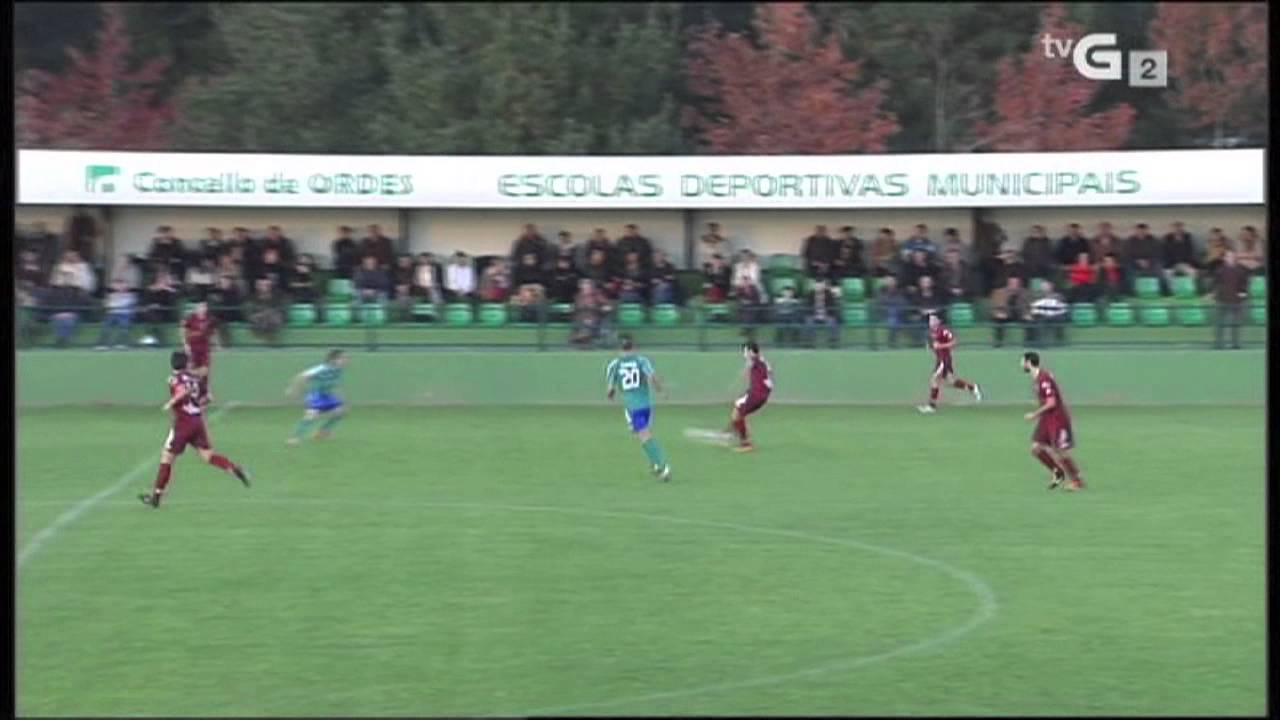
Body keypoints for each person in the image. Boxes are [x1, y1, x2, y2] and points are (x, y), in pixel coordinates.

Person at [139, 351, 250, 508]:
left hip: (183, 424)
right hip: (197, 421)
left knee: (167, 459)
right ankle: (234, 468)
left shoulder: (173, 379)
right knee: (208, 456)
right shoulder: (196, 379)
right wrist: (197, 406)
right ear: (186, 363)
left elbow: (182, 392)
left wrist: (170, 403)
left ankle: (156, 497)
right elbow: (209, 398)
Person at [605, 335, 672, 481]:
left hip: (632, 407)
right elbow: (652, 377)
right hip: (646, 405)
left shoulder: (614, 365)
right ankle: (655, 464)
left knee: (644, 435)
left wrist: (611, 396)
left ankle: (662, 466)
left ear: (619, 349)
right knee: (642, 433)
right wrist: (661, 392)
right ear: (633, 348)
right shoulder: (642, 360)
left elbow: (610, 389)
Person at [1021, 351, 1084, 491]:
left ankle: (1077, 481)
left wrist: (1034, 415)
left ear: (1029, 363)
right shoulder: (1038, 379)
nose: (1021, 364)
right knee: (1036, 448)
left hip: (1057, 418)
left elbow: (1052, 402)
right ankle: (1058, 472)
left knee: (1059, 450)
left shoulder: (1043, 379)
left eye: (1023, 361)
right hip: (1047, 418)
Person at [917, 313, 982, 414]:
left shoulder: (943, 331)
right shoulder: (930, 333)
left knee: (934, 379)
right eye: (930, 320)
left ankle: (931, 406)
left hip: (944, 360)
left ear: (939, 321)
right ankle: (972, 387)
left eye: (934, 320)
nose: (931, 322)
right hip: (940, 359)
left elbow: (954, 341)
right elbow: (931, 344)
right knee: (950, 382)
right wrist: (930, 346)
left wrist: (941, 346)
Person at [286, 349, 349, 446]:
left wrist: (340, 396)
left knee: (341, 412)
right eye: (343, 358)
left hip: (327, 396)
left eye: (346, 358)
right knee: (311, 417)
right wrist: (294, 389)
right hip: (316, 396)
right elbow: (301, 376)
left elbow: (334, 384)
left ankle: (322, 432)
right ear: (333, 359)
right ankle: (294, 438)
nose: (346, 360)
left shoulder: (338, 370)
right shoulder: (321, 368)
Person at [726, 341, 773, 452]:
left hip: (757, 394)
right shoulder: (762, 361)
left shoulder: (755, 360)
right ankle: (735, 431)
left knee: (738, 415)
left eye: (746, 351)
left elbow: (752, 362)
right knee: (737, 408)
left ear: (751, 352)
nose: (744, 354)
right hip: (757, 393)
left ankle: (746, 443)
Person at [1213, 251, 1249, 350]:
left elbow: (1244, 285)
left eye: (1232, 256)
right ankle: (1219, 343)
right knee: (1220, 323)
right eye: (1228, 256)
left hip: (1237, 301)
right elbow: (1215, 284)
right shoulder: (1219, 271)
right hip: (1222, 300)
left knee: (1236, 323)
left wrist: (1243, 294)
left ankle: (1236, 343)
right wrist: (1215, 294)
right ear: (1224, 258)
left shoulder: (1241, 271)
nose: (1230, 258)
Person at [183, 301, 218, 397]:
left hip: (204, 349)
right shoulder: (191, 319)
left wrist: (216, 344)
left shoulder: (210, 320)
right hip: (193, 349)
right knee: (193, 370)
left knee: (205, 371)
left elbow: (214, 332)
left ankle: (204, 390)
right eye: (200, 307)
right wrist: (185, 344)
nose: (202, 309)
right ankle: (194, 390)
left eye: (204, 307)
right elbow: (184, 330)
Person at [96, 279, 137, 349]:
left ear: (126, 286)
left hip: (124, 314)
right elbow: (107, 305)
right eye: (117, 285)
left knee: (124, 327)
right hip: (112, 314)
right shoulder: (111, 295)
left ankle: (122, 343)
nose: (120, 287)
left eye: (122, 285)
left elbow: (128, 304)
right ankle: (103, 344)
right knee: (106, 327)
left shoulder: (130, 295)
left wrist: (119, 301)